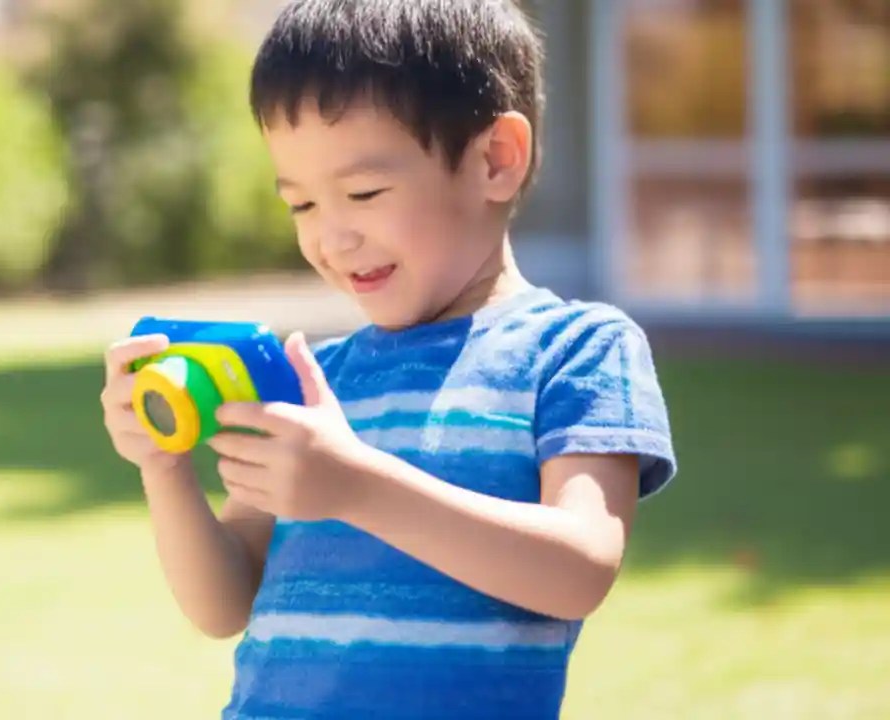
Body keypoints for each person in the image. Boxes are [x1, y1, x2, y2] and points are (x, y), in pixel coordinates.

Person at [99, 0, 677, 716]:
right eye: (302, 206)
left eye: (363, 193)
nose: (330, 240)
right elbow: (223, 605)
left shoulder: (576, 351)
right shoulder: (314, 381)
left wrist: (356, 487)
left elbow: (579, 569)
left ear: (495, 159)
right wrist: (164, 473)